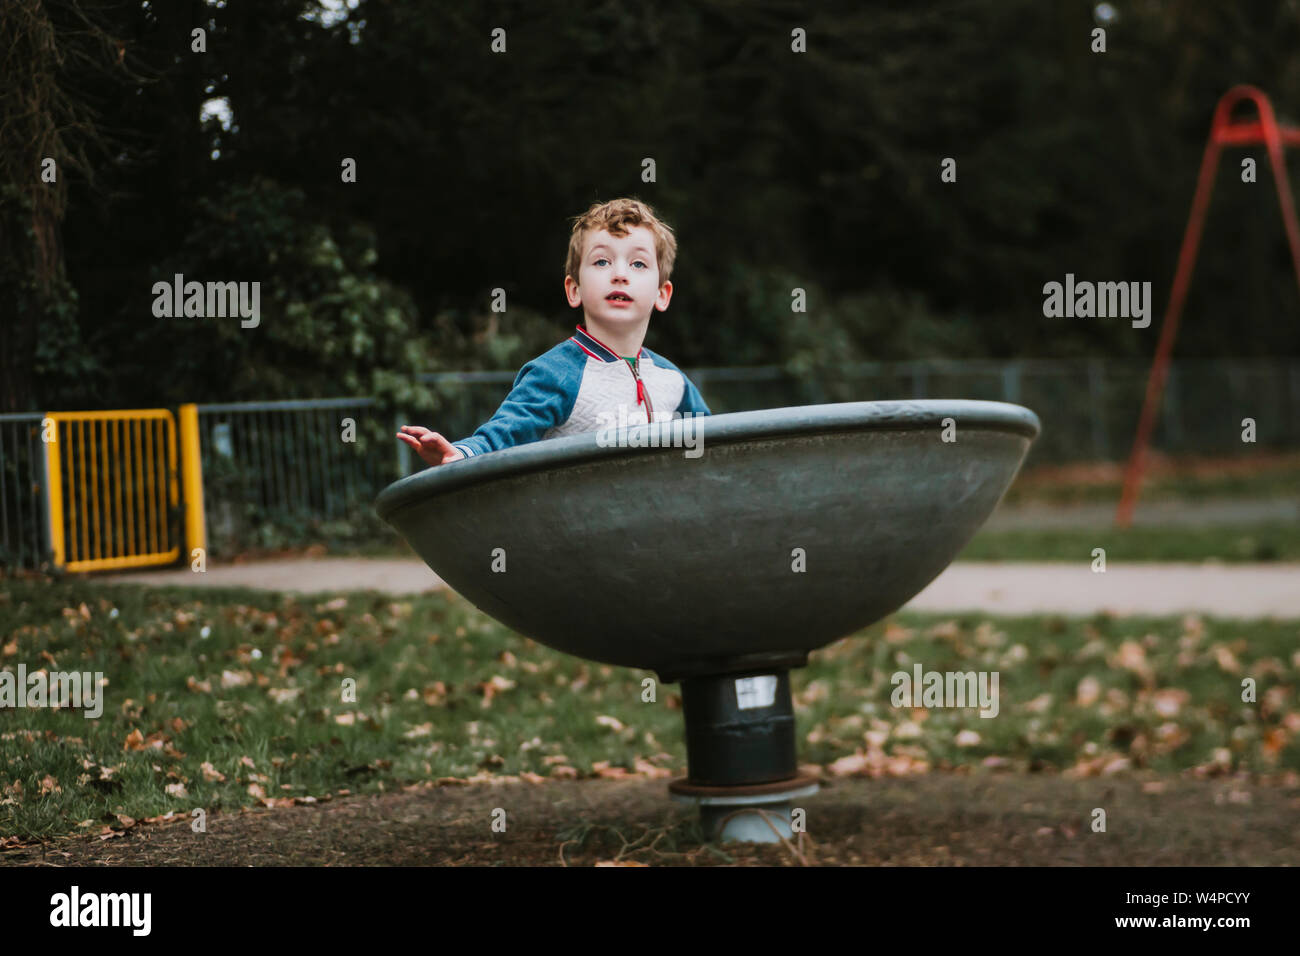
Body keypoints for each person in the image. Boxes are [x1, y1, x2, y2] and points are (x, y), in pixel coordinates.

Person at [397, 197, 711, 467]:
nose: (619, 275)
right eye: (602, 261)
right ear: (573, 289)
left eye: (638, 264)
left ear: (662, 294)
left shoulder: (673, 381)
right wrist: (462, 453)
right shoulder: (555, 374)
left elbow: (717, 446)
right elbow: (502, 436)